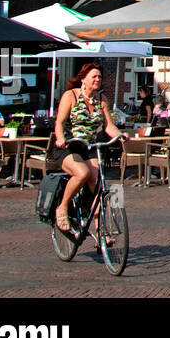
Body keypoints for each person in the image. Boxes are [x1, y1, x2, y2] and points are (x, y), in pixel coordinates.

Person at [50, 62, 124, 233]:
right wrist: (60, 138)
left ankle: (101, 234)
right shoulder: (71, 96)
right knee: (82, 173)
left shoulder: (101, 99)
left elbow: (108, 126)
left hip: (90, 147)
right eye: (94, 76)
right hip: (69, 146)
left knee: (98, 186)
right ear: (83, 79)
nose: (98, 79)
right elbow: (59, 122)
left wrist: (120, 135)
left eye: (99, 77)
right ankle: (62, 208)